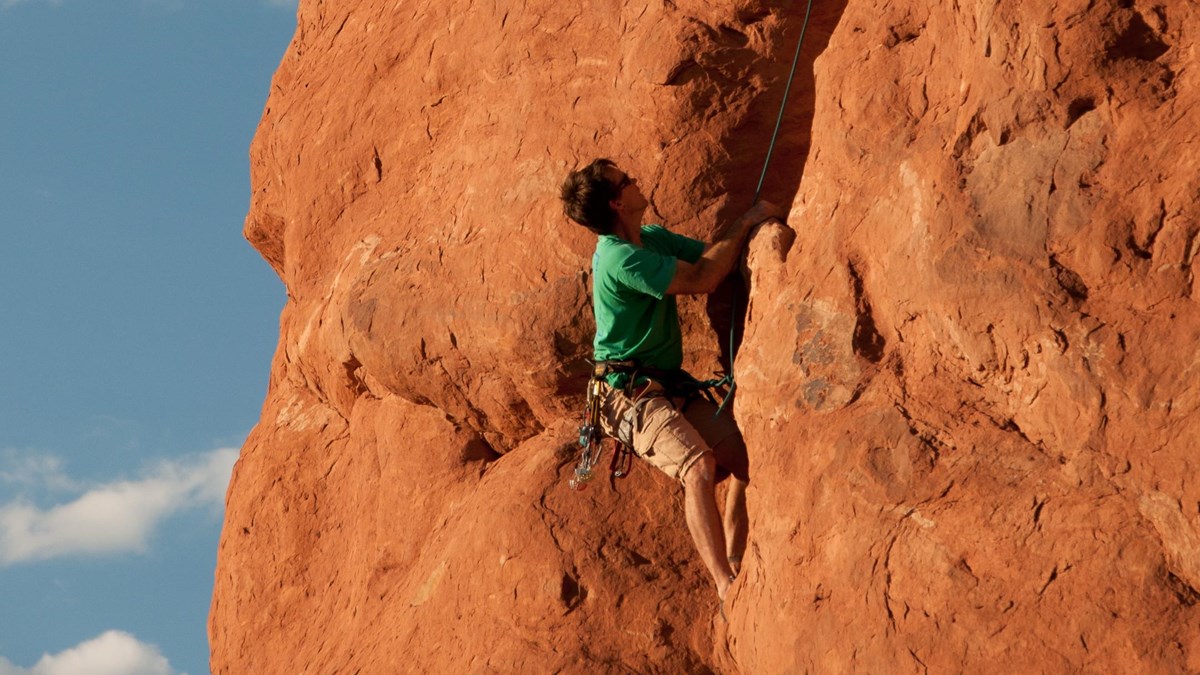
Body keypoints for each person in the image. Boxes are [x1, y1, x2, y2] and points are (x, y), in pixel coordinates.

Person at [559, 158, 783, 601]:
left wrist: (747, 239)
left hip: (665, 384)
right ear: (618, 202)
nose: (636, 179)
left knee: (747, 457)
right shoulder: (622, 259)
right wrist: (751, 219)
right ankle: (724, 583)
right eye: (627, 180)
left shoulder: (652, 239)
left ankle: (737, 556)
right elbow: (704, 277)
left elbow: (712, 256)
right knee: (697, 466)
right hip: (627, 395)